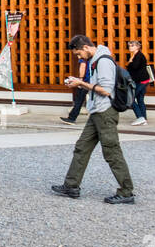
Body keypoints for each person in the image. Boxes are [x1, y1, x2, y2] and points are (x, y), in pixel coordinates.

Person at [52, 34, 135, 204]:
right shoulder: (96, 60)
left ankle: (126, 192)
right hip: (97, 111)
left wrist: (80, 83)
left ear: (86, 48)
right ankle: (71, 185)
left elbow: (106, 90)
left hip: (105, 112)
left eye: (78, 54)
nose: (78, 58)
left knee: (112, 151)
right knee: (82, 147)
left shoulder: (103, 61)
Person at [125, 39, 151, 127]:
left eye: (132, 46)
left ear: (138, 47)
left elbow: (134, 67)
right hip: (143, 80)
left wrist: (130, 62)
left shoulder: (138, 56)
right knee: (140, 99)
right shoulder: (136, 55)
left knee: (131, 99)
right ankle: (144, 118)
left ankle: (140, 117)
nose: (130, 47)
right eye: (129, 46)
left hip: (141, 81)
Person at [59, 55, 89, 126]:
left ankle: (71, 118)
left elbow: (82, 67)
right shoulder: (92, 59)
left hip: (85, 81)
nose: (78, 56)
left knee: (79, 100)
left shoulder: (84, 59)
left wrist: (80, 79)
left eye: (78, 54)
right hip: (91, 81)